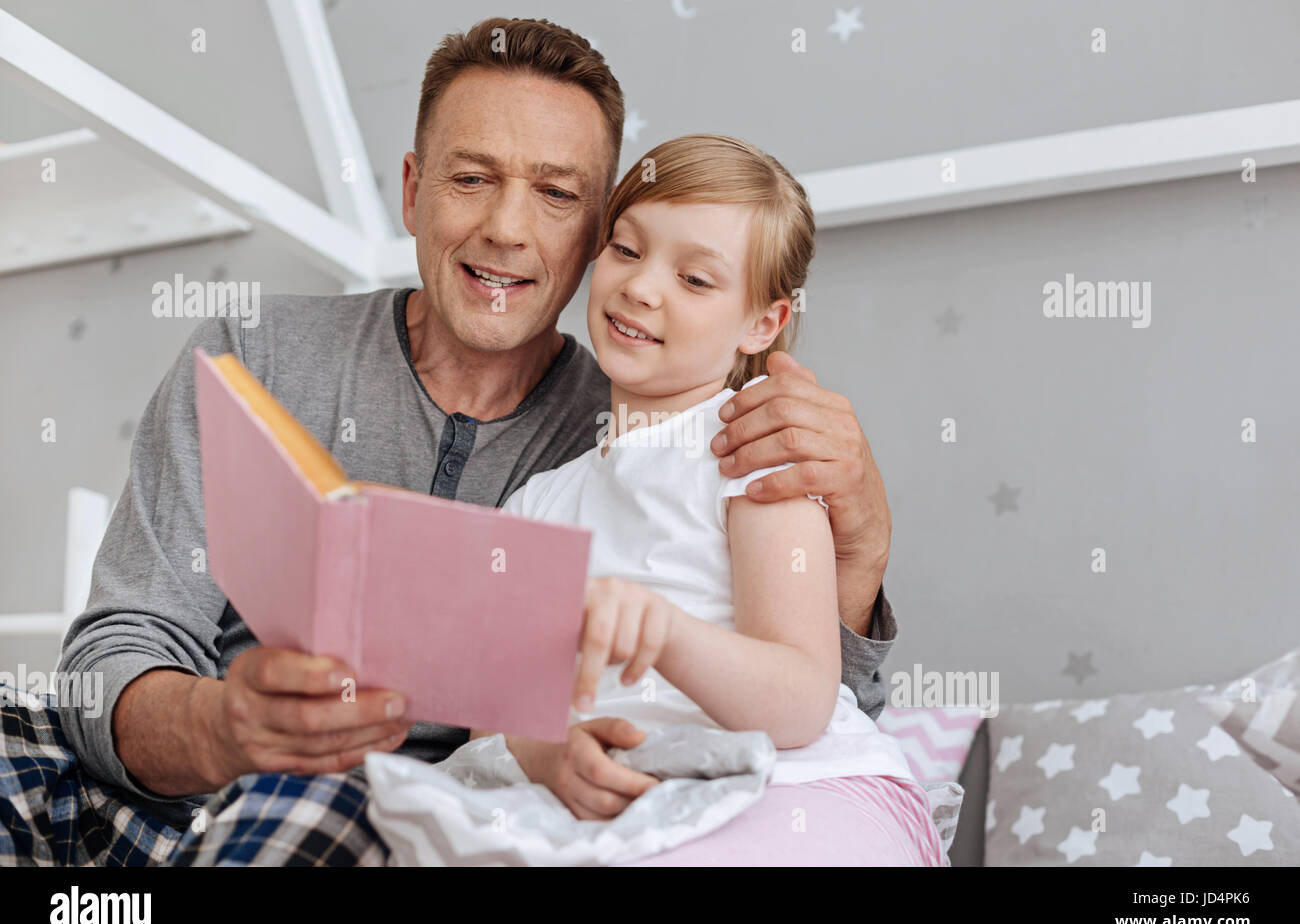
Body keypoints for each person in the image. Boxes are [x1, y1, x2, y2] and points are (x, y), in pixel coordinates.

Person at [0, 17, 898, 866]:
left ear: (590, 236)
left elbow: (808, 715)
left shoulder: (656, 431)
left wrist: (862, 545)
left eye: (555, 194)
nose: (506, 227)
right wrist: (221, 725)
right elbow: (118, 646)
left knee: (311, 810)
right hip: (151, 784)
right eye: (471, 178)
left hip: (354, 814)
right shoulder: (255, 351)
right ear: (412, 191)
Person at [464, 134, 942, 865]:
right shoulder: (537, 502)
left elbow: (801, 700)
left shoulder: (753, 450)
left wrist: (667, 633)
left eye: (695, 279)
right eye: (626, 249)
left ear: (763, 323)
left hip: (792, 786)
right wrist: (548, 753)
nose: (642, 287)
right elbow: (488, 728)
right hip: (625, 805)